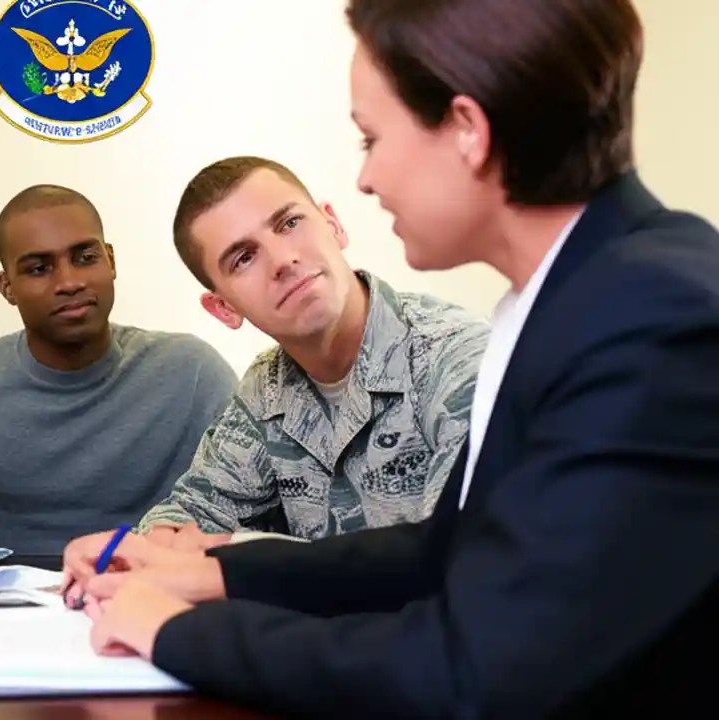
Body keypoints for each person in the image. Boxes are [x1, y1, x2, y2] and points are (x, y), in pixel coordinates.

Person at [62, 0, 719, 715]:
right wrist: (216, 571)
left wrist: (182, 633)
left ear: (466, 130)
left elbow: (474, 671)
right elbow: (446, 549)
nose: (367, 179)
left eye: (371, 138)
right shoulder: (582, 295)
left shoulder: (648, 317)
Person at [139, 156, 487, 549]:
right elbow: (194, 512)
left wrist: (242, 563)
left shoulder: (456, 358)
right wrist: (138, 551)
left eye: (289, 224)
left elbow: (466, 563)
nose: (284, 260)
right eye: (244, 258)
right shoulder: (266, 388)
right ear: (224, 308)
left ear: (333, 224)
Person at [0, 184, 238, 554]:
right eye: (39, 268)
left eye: (85, 258)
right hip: (4, 604)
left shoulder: (192, 373)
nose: (69, 282)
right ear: (7, 288)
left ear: (110, 261)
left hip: (152, 597)